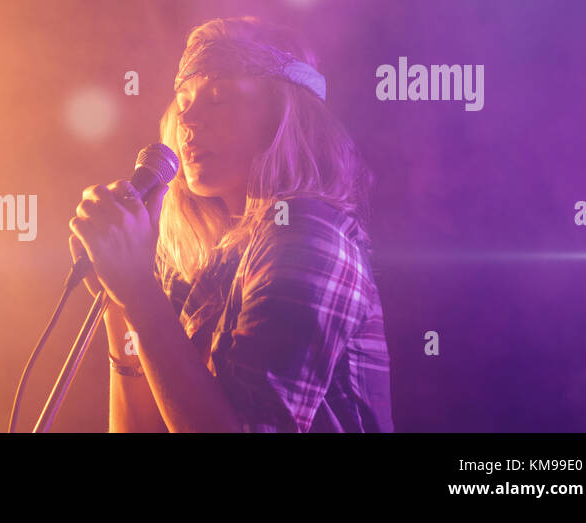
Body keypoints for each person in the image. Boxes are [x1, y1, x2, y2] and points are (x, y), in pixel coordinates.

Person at [68, 16, 393, 432]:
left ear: (283, 114)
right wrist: (117, 301)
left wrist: (137, 290)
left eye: (218, 97)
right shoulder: (211, 262)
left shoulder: (310, 239)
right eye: (183, 103)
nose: (188, 122)